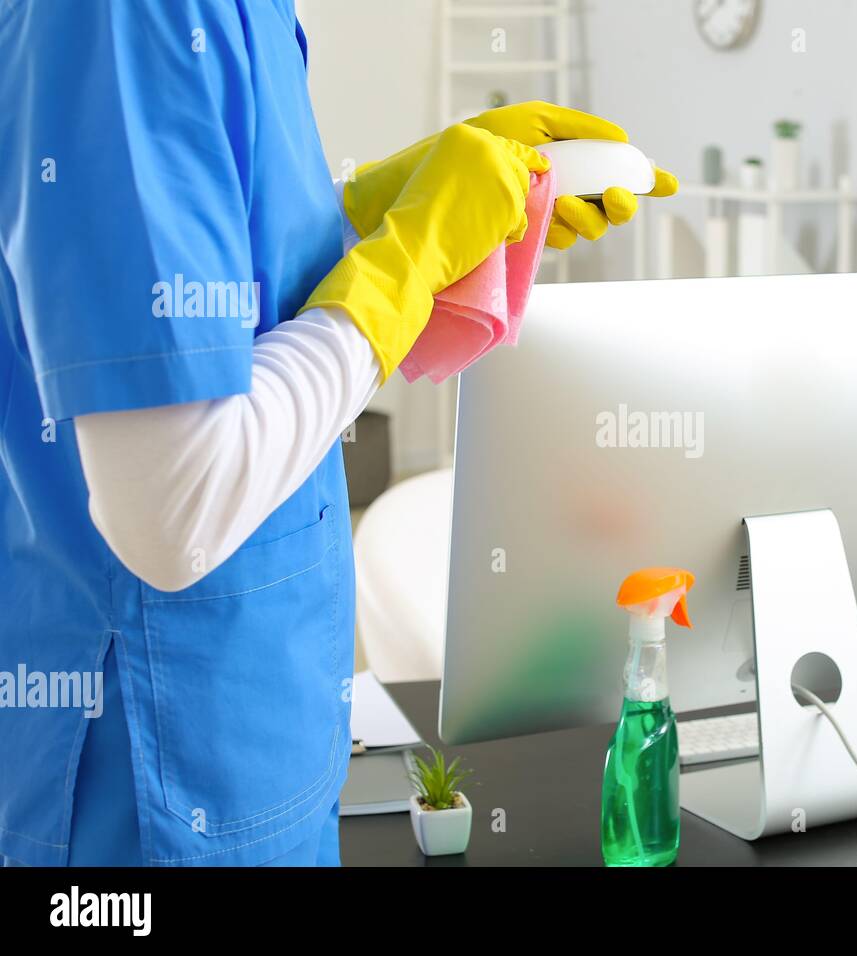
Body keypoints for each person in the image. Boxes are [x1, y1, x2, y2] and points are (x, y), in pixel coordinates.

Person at [0, 0, 675, 866]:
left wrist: (380, 209)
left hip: (259, 746)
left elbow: (216, 277)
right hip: (155, 795)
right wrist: (408, 263)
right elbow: (173, 509)